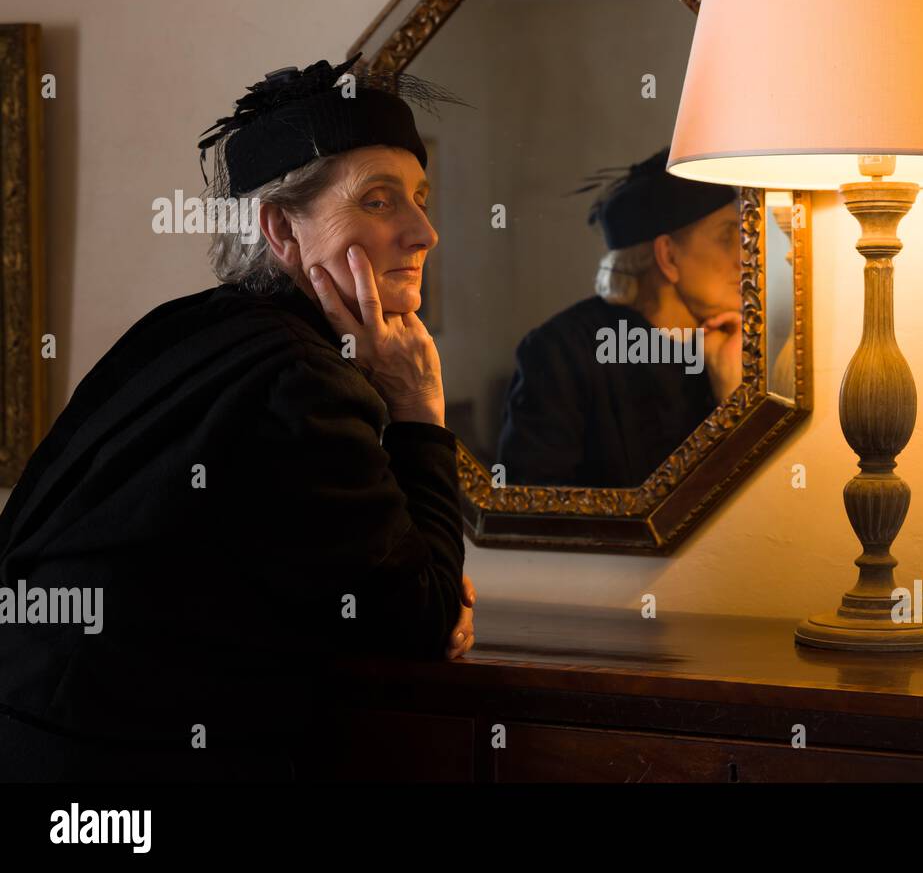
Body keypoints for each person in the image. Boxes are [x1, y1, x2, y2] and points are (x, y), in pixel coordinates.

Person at [0, 54, 475, 781]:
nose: (423, 232)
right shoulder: (305, 380)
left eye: (421, 196)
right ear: (281, 229)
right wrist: (418, 411)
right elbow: (420, 622)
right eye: (379, 200)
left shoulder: (188, 327)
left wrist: (413, 580)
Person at [495, 147, 742, 488]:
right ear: (668, 256)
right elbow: (533, 503)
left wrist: (731, 395)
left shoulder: (738, 343)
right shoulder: (561, 351)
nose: (745, 255)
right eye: (728, 237)